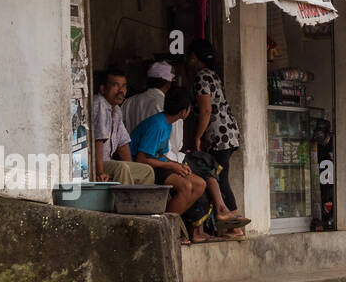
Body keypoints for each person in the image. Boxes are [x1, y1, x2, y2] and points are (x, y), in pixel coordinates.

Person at [131, 87, 248, 242]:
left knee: (199, 183)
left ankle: (170, 222)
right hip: (145, 169)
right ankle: (164, 229)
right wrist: (172, 166)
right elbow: (141, 159)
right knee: (186, 186)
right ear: (184, 111)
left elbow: (160, 154)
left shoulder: (167, 123)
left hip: (157, 165)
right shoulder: (158, 125)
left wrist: (177, 165)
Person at [187, 40, 245, 238]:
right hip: (228, 134)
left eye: (191, 56)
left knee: (219, 180)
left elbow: (205, 109)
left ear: (196, 57)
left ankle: (234, 226)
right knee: (221, 179)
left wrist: (198, 136)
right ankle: (233, 225)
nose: (190, 60)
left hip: (217, 135)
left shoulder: (201, 77)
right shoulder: (213, 75)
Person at [92, 68, 155, 184]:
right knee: (122, 168)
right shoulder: (99, 103)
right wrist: (100, 172)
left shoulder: (116, 110)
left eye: (124, 86)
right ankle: (126, 201)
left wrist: (131, 166)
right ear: (103, 88)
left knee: (147, 171)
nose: (121, 90)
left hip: (107, 163)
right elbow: (98, 140)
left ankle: (140, 201)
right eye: (116, 85)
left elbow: (122, 144)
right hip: (95, 163)